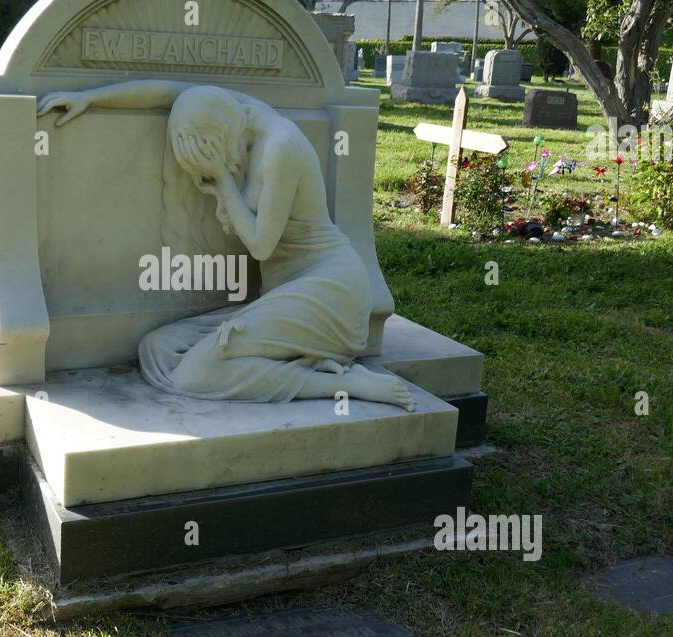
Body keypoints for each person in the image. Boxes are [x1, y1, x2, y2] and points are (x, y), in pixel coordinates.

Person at [38, 80, 413, 410]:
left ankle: (345, 385)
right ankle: (301, 361)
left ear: (218, 142)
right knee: (156, 349)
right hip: (283, 294)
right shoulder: (230, 112)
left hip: (331, 291)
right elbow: (168, 92)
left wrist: (221, 180)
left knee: (191, 375)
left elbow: (262, 246)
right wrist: (91, 98)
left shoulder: (281, 147)